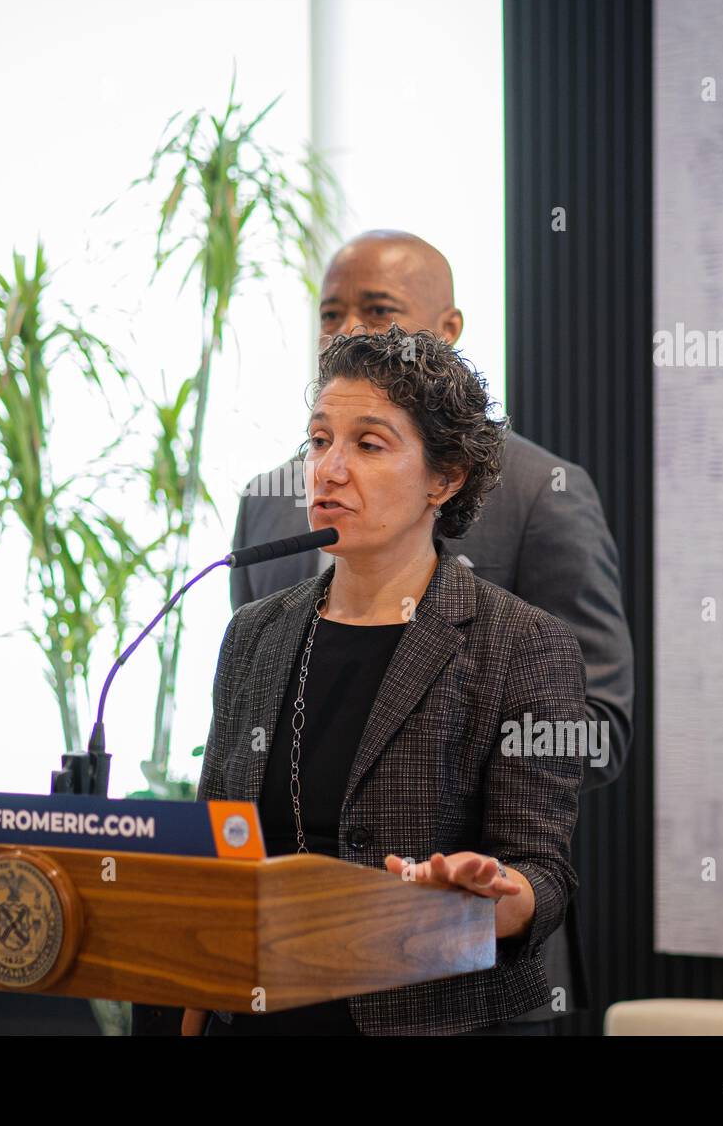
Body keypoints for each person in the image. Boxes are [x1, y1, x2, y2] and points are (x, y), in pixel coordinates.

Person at [228, 229, 633, 1030]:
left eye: (377, 311)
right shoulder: (269, 505)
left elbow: (598, 726)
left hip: (460, 973)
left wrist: (482, 851)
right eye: (331, 313)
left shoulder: (542, 492)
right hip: (278, 979)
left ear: (448, 331)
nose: (347, 332)